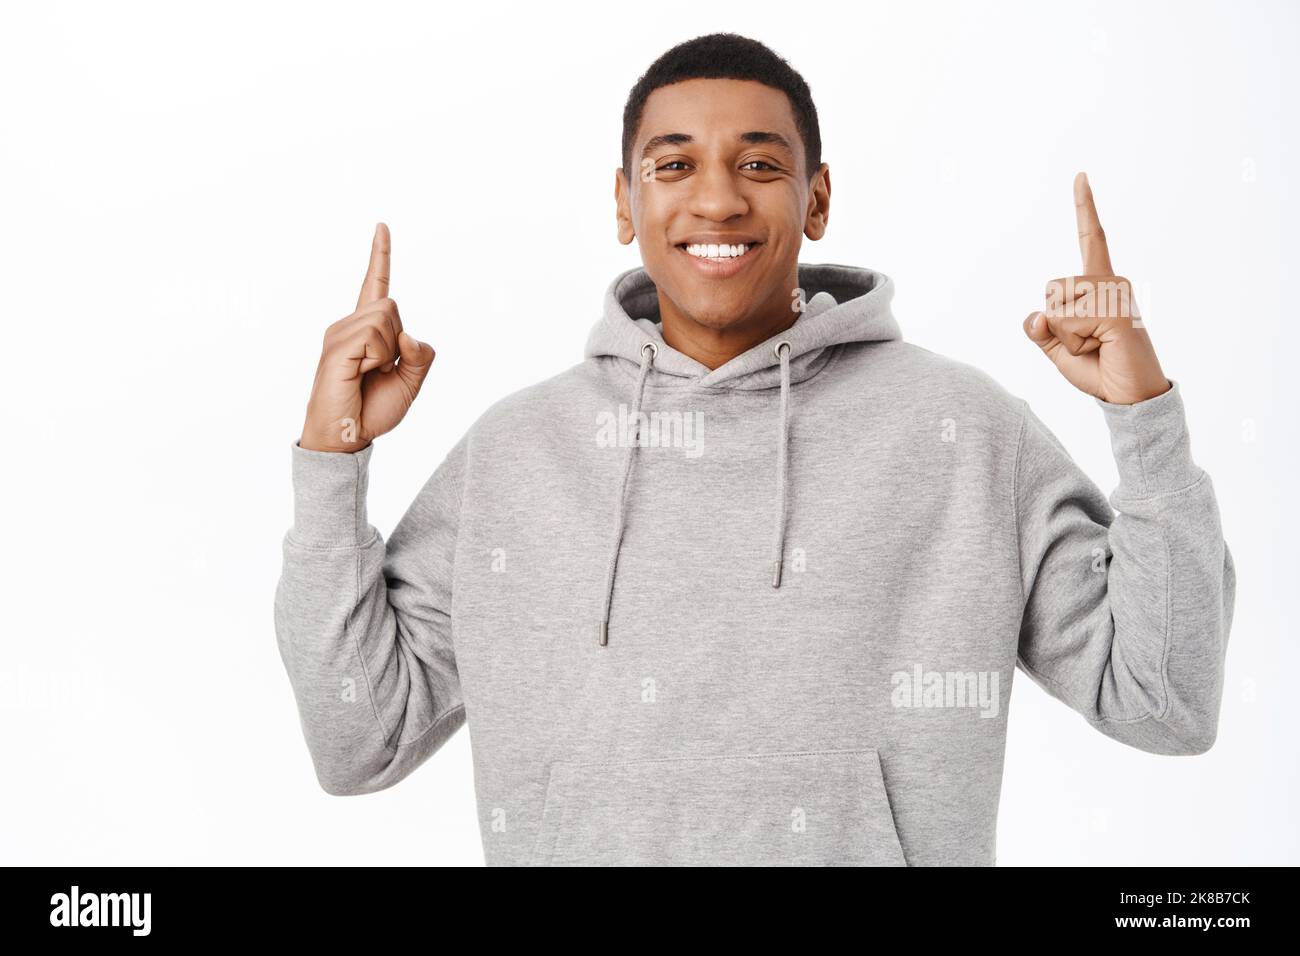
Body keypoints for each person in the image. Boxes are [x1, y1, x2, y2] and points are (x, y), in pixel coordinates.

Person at [273, 32, 1235, 866]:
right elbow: (360, 739)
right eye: (675, 164)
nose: (719, 200)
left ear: (817, 199)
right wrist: (330, 457)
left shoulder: (966, 432)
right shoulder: (516, 455)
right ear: (625, 202)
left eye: (761, 166)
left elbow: (1163, 702)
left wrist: (1143, 416)